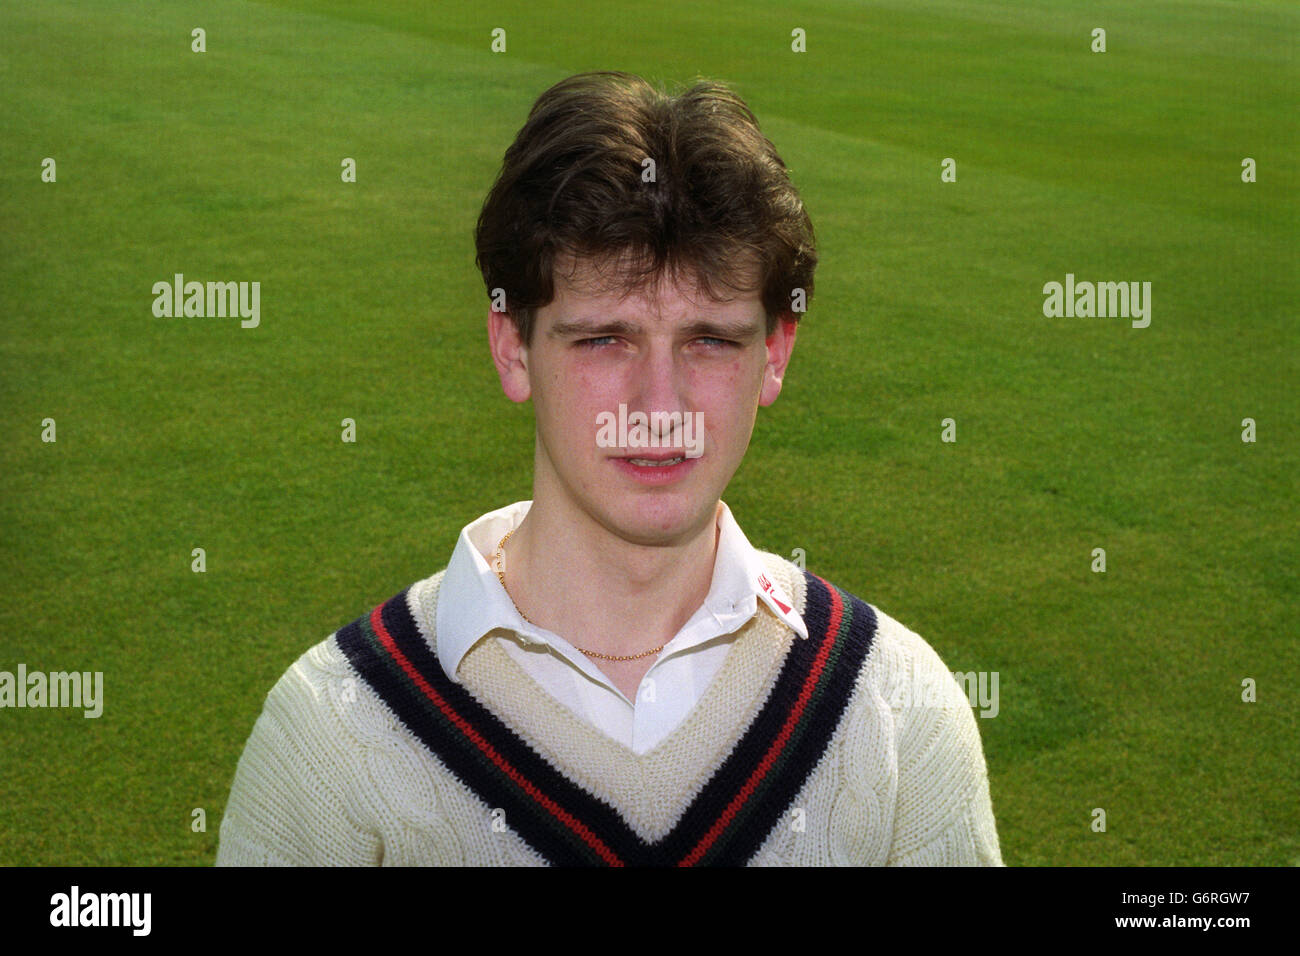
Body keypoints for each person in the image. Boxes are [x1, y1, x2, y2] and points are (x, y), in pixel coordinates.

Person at [215, 71, 1003, 866]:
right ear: (511, 347)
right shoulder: (330, 734)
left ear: (774, 356)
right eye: (603, 339)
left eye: (711, 341)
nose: (659, 403)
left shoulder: (900, 710)